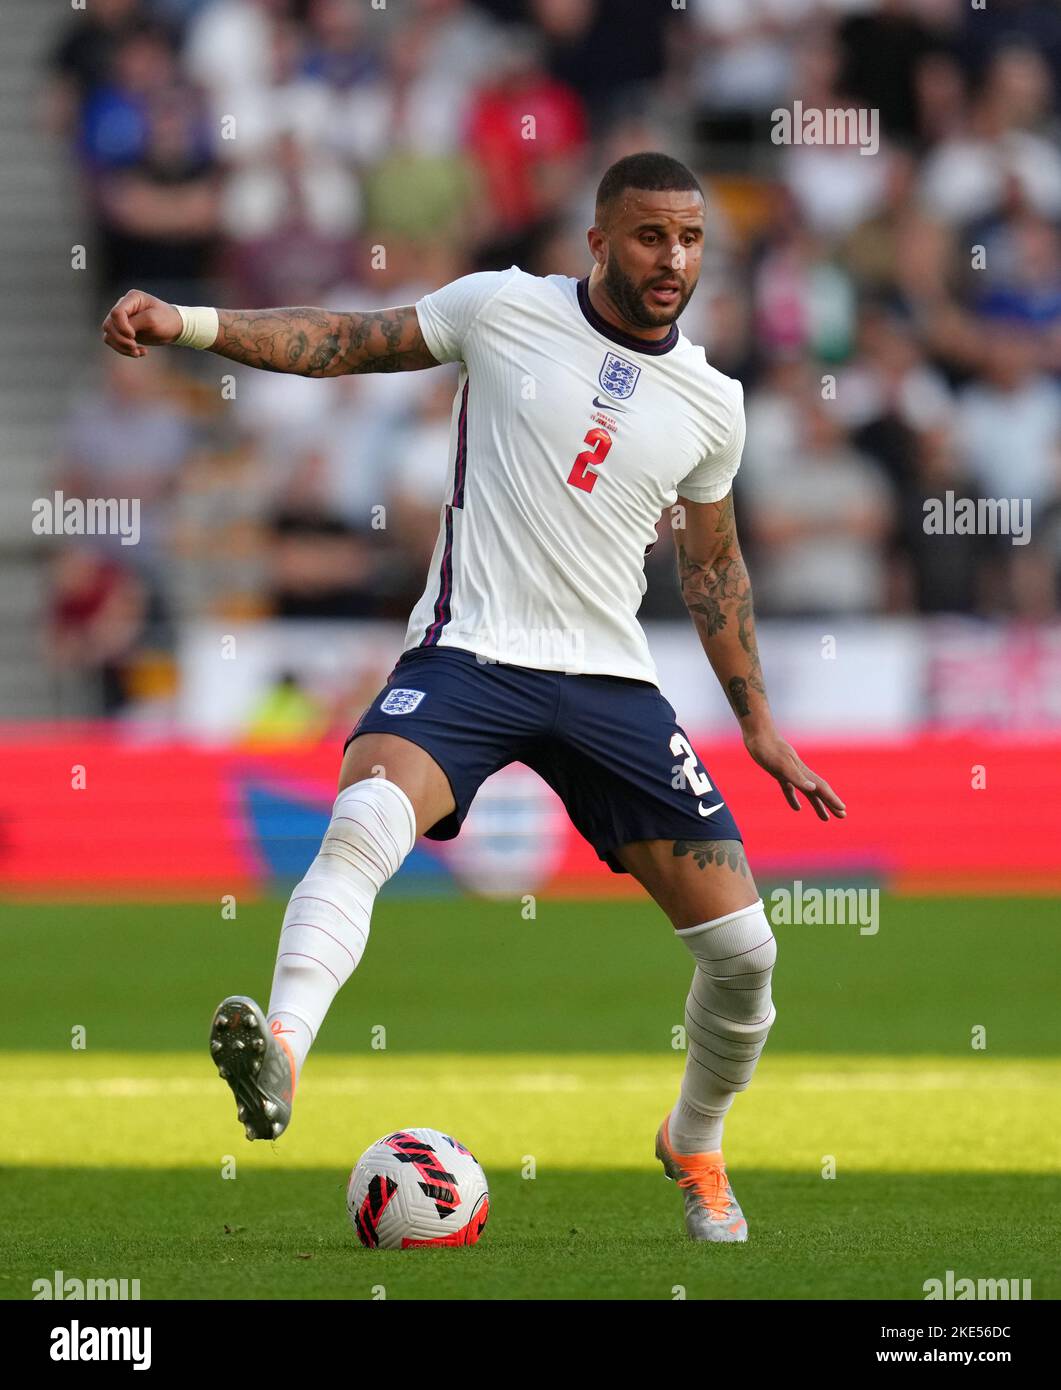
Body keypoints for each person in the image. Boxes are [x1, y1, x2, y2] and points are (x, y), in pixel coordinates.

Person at [101, 151, 846, 1242]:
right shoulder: (499, 308)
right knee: (360, 823)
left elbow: (712, 570)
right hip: (470, 654)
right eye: (648, 236)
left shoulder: (711, 404)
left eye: (688, 239)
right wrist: (191, 322)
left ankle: (693, 1138)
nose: (671, 258)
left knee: (746, 956)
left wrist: (759, 725)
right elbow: (345, 343)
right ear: (597, 241)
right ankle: (286, 1057)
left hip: (607, 681)